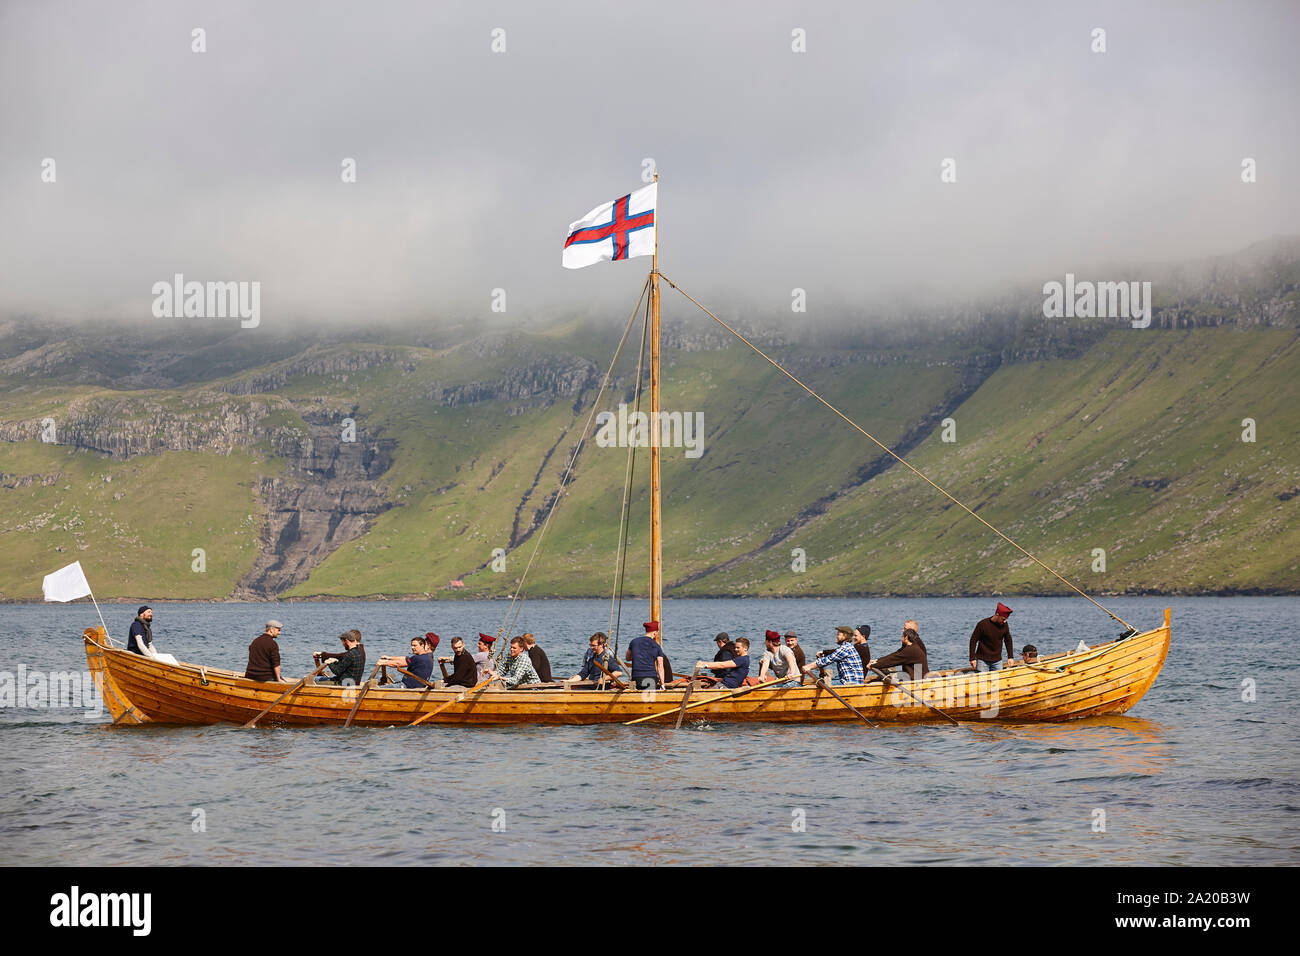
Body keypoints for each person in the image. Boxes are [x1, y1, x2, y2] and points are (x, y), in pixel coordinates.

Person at [969, 603, 1014, 672]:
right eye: (1003, 619)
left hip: (997, 661)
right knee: (983, 681)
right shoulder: (982, 624)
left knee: (997, 682)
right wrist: (972, 658)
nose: (1005, 621)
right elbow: (973, 641)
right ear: (997, 614)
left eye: (1006, 619)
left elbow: (1008, 640)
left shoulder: (1004, 625)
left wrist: (1010, 657)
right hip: (982, 661)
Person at [625, 621, 666, 690]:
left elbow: (627, 658)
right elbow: (660, 667)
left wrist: (638, 658)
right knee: (650, 699)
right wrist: (662, 684)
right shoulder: (657, 646)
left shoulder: (634, 642)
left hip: (636, 678)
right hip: (651, 678)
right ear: (655, 633)